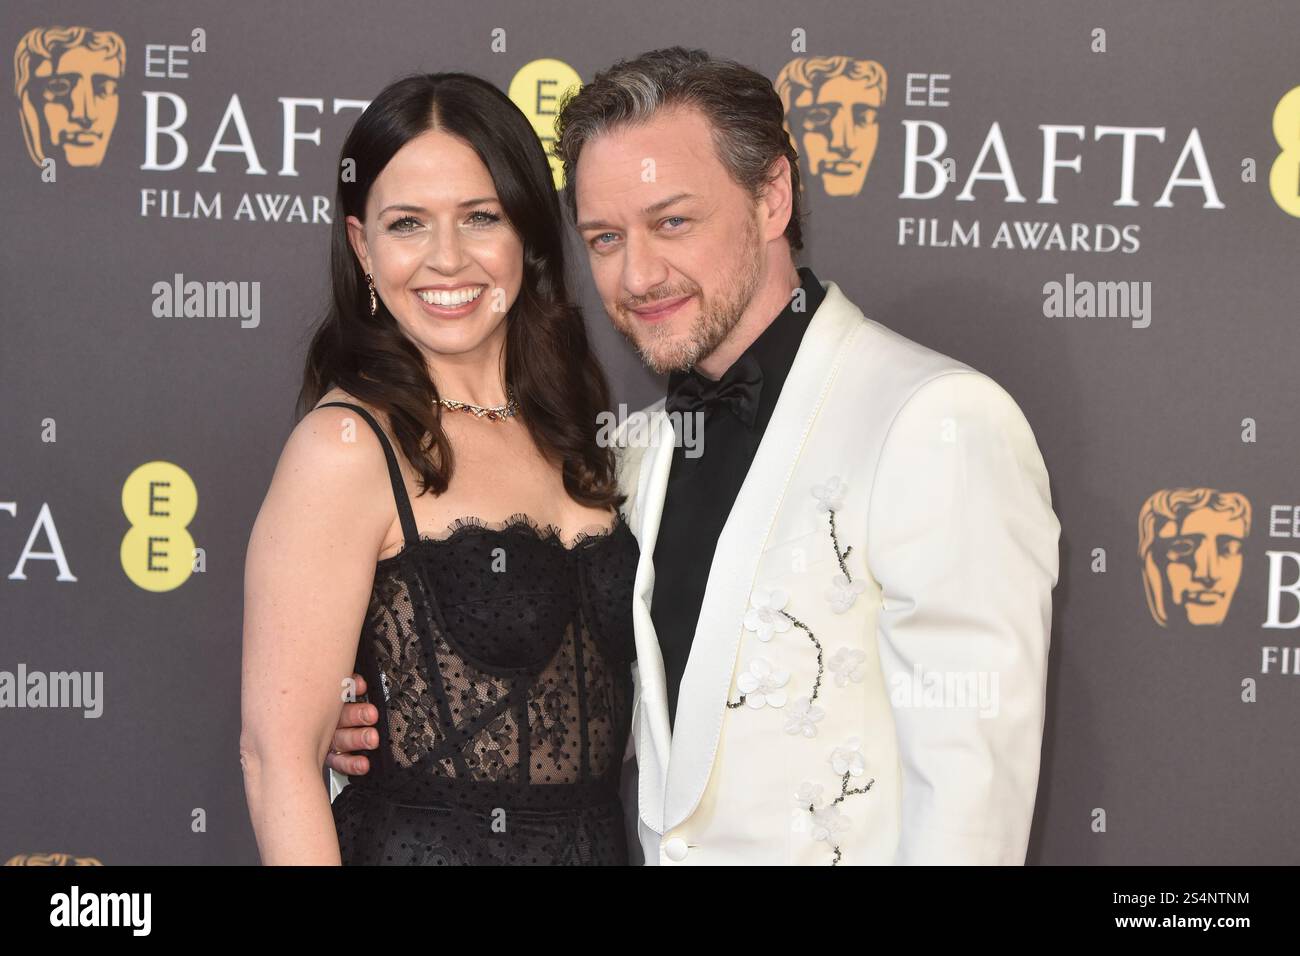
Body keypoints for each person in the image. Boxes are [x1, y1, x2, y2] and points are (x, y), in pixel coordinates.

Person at [331, 47, 1061, 865]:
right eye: (605, 238)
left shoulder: (934, 420)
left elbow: (972, 804)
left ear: (773, 195)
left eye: (672, 221)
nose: (638, 275)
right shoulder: (633, 455)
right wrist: (363, 723)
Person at [239, 72, 639, 865]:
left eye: (480, 218)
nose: (445, 260)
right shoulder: (346, 448)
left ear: (525, 232)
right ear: (363, 246)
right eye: (408, 224)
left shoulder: (585, 434)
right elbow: (275, 759)